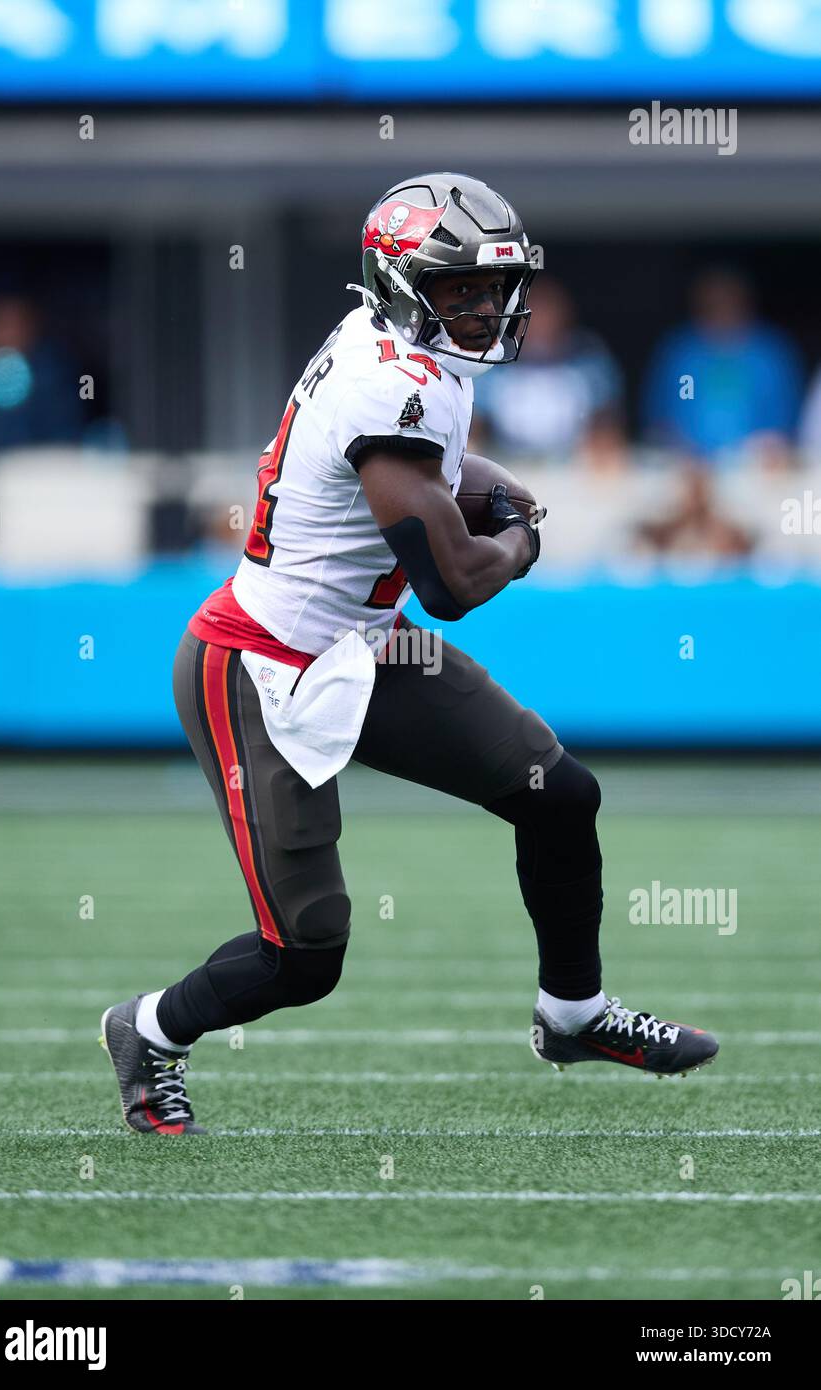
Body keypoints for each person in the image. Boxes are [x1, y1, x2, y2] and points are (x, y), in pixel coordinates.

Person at [99, 172, 717, 1135]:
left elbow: (411, 463)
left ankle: (575, 1016)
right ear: (401, 284)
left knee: (560, 794)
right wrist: (523, 537)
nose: (482, 310)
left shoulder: (391, 349)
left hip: (364, 643)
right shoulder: (391, 381)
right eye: (459, 288)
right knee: (305, 952)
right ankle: (147, 1029)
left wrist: (482, 479)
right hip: (263, 669)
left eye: (491, 288)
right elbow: (454, 584)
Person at [641, 268, 803, 465]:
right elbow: (665, 416)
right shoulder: (682, 354)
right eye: (712, 303)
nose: (721, 309)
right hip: (690, 469)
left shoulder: (770, 354)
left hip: (757, 470)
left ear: (745, 304)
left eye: (728, 301)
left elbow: (787, 423)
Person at [470, 276, 624, 467]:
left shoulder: (588, 363)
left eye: (547, 313)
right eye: (531, 315)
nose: (540, 323)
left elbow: (607, 427)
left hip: (574, 469)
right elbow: (472, 430)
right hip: (508, 468)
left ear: (565, 317)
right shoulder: (493, 364)